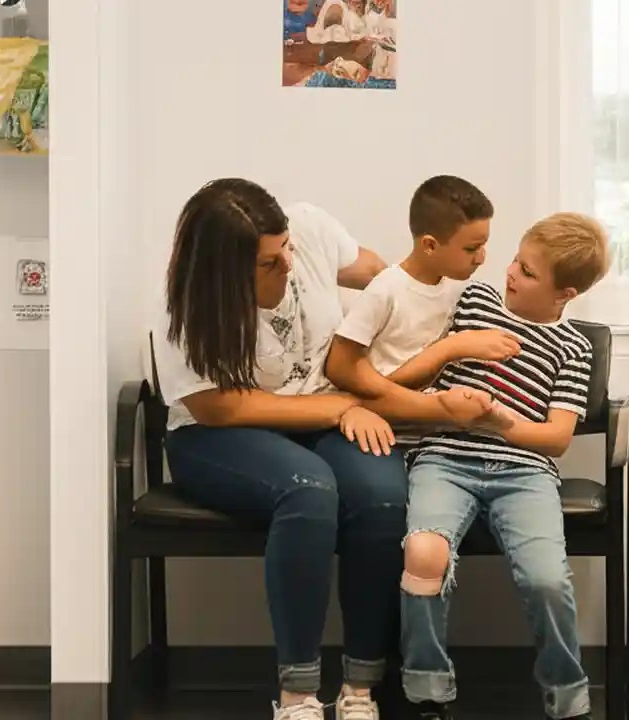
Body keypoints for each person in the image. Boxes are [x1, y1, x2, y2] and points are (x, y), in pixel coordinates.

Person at [152, 178, 494, 720]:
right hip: (216, 434)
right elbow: (224, 409)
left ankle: (361, 685)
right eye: (268, 263)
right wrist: (340, 407)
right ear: (225, 271)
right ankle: (298, 693)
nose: (288, 265)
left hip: (324, 411)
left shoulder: (309, 227)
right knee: (308, 490)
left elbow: (381, 275)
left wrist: (423, 327)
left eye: (284, 247)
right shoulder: (186, 312)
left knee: (384, 497)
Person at [394, 213, 612, 720]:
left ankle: (568, 698)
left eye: (529, 272)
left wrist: (496, 418)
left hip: (525, 473)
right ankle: (427, 691)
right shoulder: (474, 302)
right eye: (516, 259)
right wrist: (450, 371)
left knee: (545, 580)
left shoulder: (574, 349)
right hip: (445, 459)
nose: (511, 272)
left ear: (566, 293)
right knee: (424, 553)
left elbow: (556, 439)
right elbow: (419, 367)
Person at [323, 175, 521, 450]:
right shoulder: (387, 289)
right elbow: (344, 370)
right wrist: (451, 348)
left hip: (432, 435)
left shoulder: (457, 289)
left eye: (484, 245)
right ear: (429, 245)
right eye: (471, 249)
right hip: (381, 425)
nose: (481, 257)